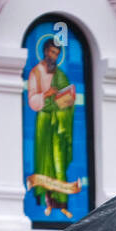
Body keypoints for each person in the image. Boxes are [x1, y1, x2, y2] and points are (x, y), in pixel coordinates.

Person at [26, 38, 78, 219]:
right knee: (45, 162)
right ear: (45, 51)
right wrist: (45, 95)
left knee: (59, 162)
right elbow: (32, 101)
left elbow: (69, 96)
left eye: (56, 53)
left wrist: (68, 98)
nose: (53, 56)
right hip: (45, 122)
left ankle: (62, 204)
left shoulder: (61, 74)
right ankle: (47, 203)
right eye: (51, 52)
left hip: (60, 125)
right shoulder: (36, 73)